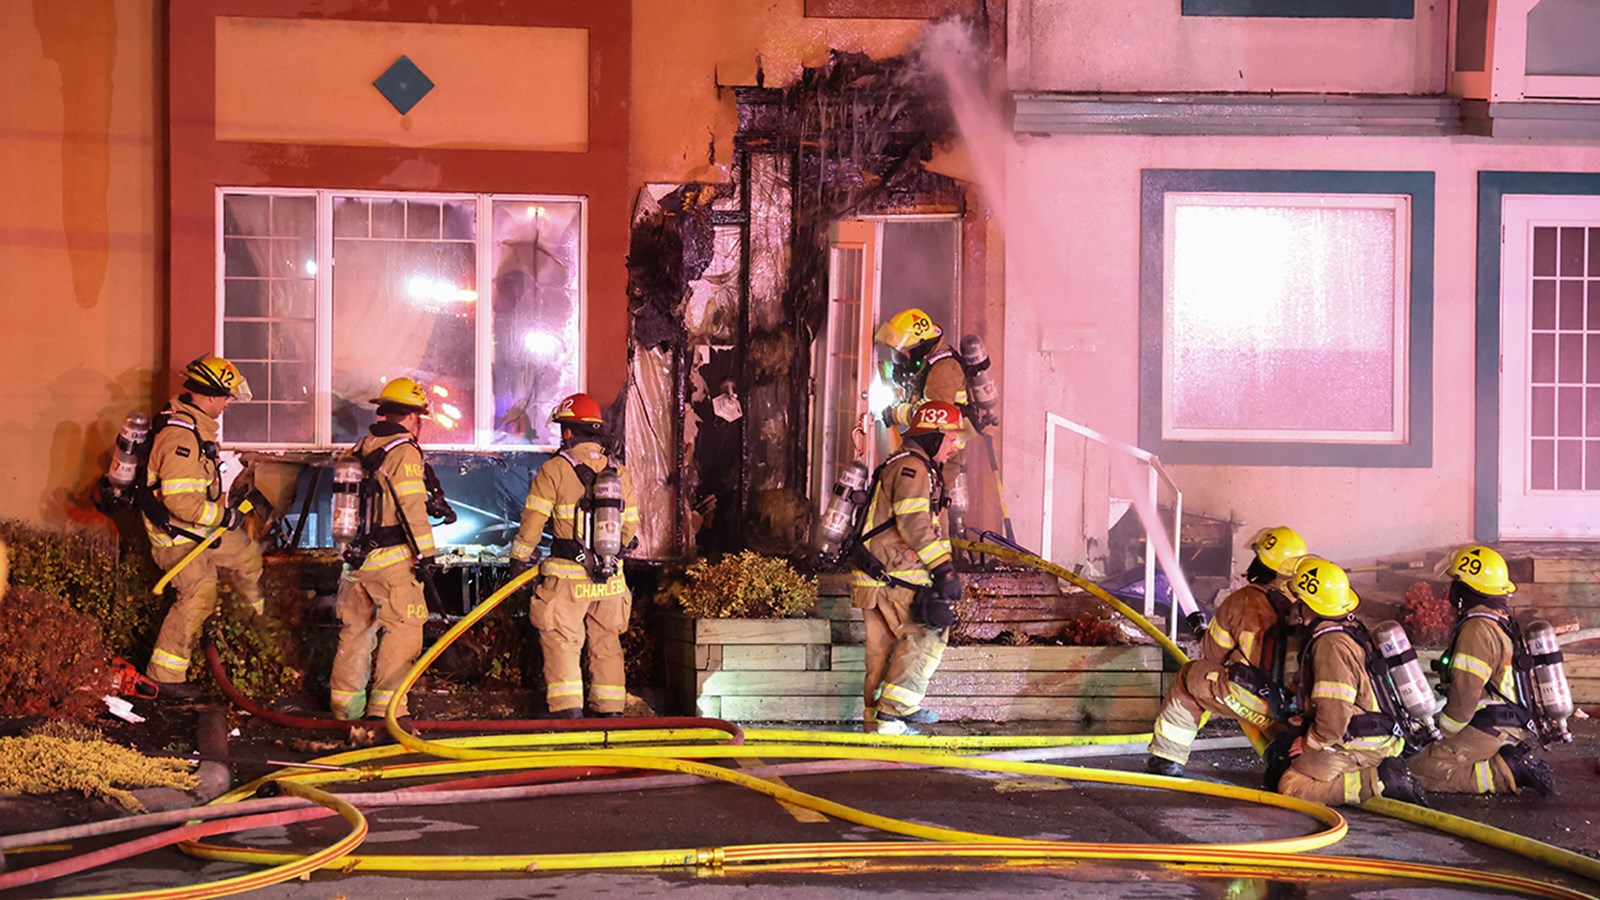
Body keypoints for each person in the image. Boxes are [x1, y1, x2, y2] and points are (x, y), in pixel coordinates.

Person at [509, 393, 641, 718]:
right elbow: (630, 525)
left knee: (563, 642)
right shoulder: (619, 472)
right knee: (607, 643)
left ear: (567, 431)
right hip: (611, 577)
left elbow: (533, 522)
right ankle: (610, 711)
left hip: (567, 579)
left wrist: (519, 560)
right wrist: (613, 555)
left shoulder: (554, 469)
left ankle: (567, 713)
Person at [143, 356, 262, 701]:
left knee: (247, 555)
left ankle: (253, 629)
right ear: (210, 396)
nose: (228, 404)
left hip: (197, 529)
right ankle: (164, 678)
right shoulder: (180, 438)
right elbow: (179, 502)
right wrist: (224, 517)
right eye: (226, 397)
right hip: (176, 536)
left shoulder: (196, 429)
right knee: (199, 592)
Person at [1146, 526, 1307, 777]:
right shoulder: (1305, 606)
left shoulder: (1244, 600)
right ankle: (1282, 757)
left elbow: (1213, 655)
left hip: (1256, 698)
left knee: (1190, 676)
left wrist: (1203, 632)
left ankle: (1168, 758)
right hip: (1296, 707)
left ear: (1260, 562)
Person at [849, 400, 965, 735]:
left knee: (882, 652)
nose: (954, 446)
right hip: (894, 575)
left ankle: (878, 727)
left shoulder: (901, 463)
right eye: (950, 438)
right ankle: (894, 712)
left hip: (875, 575)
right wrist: (943, 570)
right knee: (927, 631)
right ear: (934, 436)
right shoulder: (913, 469)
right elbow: (914, 524)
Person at [328, 377, 439, 722]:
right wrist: (427, 554)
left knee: (356, 631)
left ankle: (345, 710)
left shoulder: (361, 447)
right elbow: (411, 508)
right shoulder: (404, 451)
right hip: (391, 560)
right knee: (404, 628)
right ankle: (386, 712)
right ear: (412, 417)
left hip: (354, 560)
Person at [1273, 556, 1426, 806]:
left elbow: (1334, 718)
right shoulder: (1349, 630)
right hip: (1382, 735)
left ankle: (1380, 783)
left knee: (1292, 784)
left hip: (1363, 746)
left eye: (1299, 600)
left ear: (1309, 605)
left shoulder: (1330, 645)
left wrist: (1308, 744)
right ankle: (1381, 775)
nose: (1295, 607)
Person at [1409, 546, 1555, 797]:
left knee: (1414, 771)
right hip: (1504, 723)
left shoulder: (1476, 630)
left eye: (1455, 583)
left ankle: (1504, 772)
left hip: (1488, 727)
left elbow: (1464, 701)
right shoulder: (1498, 620)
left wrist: (1438, 734)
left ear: (1466, 588)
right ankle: (1505, 759)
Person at [873, 308, 979, 536]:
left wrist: (896, 413)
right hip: (931, 447)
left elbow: (931, 415)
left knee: (931, 508)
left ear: (919, 348)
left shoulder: (944, 369)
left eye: (903, 354)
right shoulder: (927, 362)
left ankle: (938, 551)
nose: (900, 359)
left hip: (945, 451)